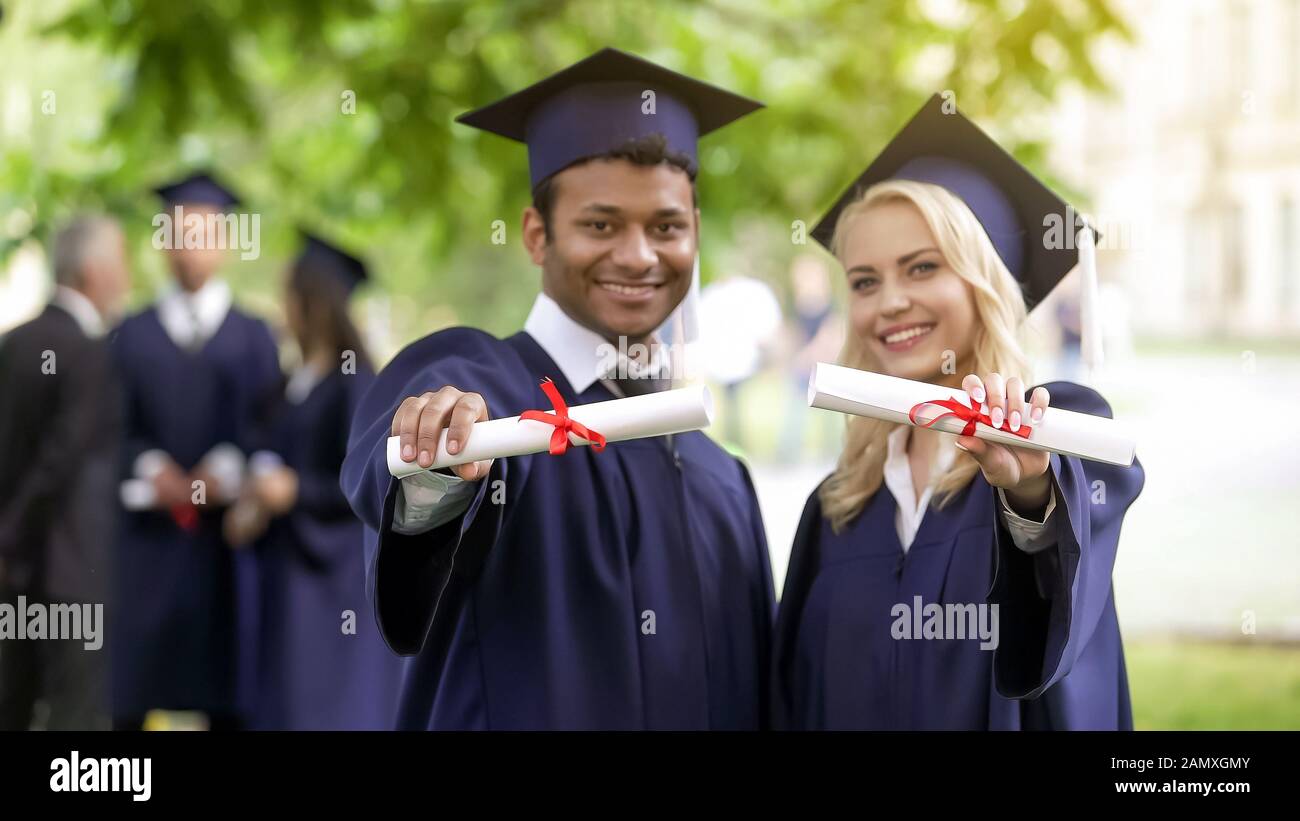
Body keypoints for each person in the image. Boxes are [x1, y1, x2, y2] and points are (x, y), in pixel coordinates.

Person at [341, 48, 775, 729]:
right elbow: (411, 479)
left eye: (667, 226)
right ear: (537, 235)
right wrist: (438, 463)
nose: (638, 256)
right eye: (600, 225)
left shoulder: (724, 483)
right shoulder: (488, 396)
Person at [772, 95, 1145, 730]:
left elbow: (1062, 550)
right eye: (864, 281)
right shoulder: (837, 507)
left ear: (986, 282)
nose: (889, 302)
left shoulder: (1053, 436)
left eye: (922, 268)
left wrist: (1027, 493)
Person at [110, 172, 281, 730]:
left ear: (226, 244)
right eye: (179, 233)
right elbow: (112, 427)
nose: (191, 247)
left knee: (228, 693)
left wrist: (227, 465)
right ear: (162, 243)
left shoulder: (256, 336)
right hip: (144, 545)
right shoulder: (128, 335)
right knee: (129, 694)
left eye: (204, 234)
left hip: (224, 546)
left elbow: (270, 430)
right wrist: (151, 466)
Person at [225, 233, 403, 729]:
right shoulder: (289, 384)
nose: (283, 309)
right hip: (285, 571)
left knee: (320, 706)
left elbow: (368, 481)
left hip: (331, 579)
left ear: (314, 302)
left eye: (290, 296)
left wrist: (295, 491)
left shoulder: (357, 384)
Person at [0, 216, 130, 730]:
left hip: (15, 577)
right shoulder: (91, 354)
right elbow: (59, 461)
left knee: (11, 706)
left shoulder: (12, 344)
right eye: (120, 263)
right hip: (73, 574)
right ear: (93, 272)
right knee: (73, 723)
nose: (126, 277)